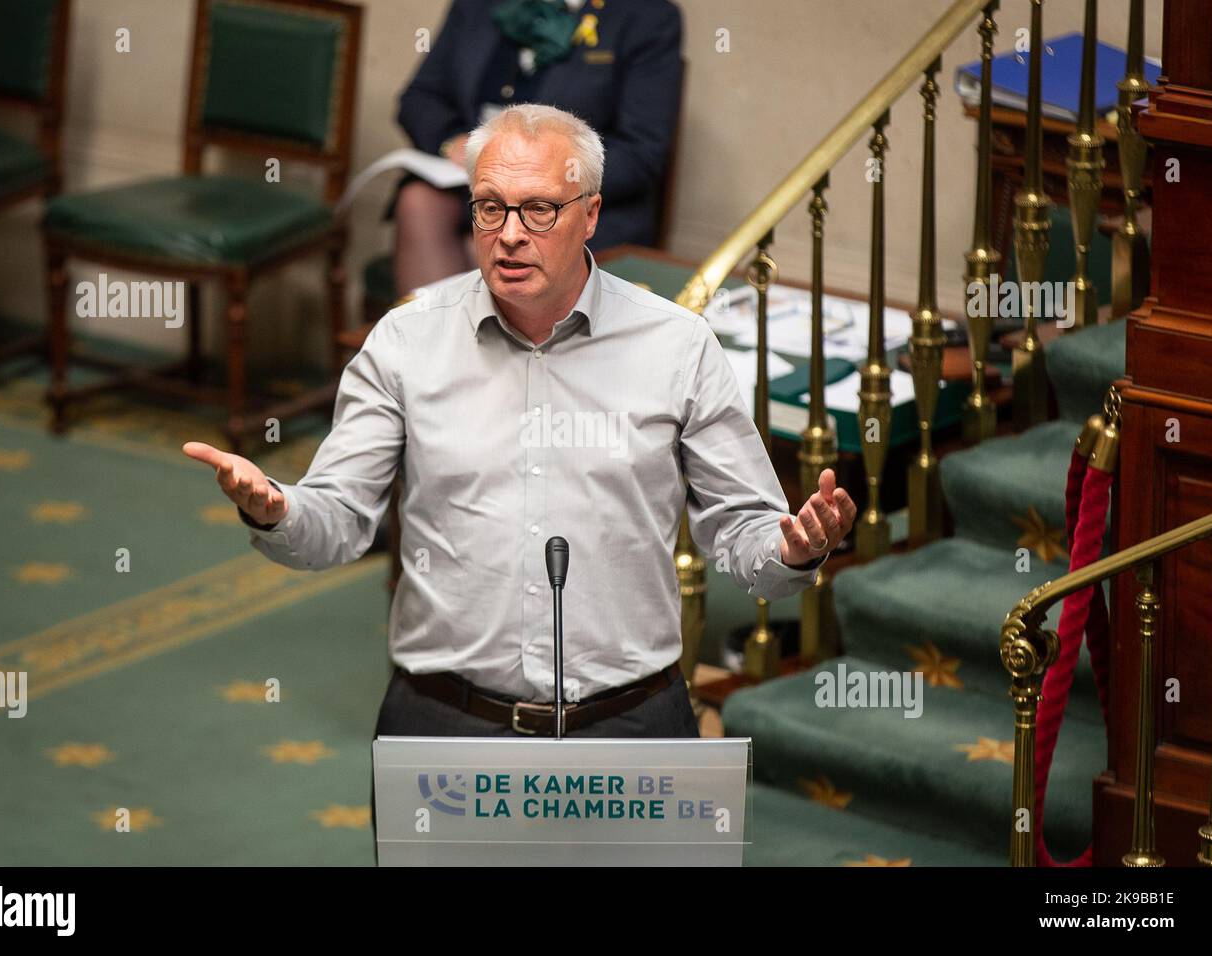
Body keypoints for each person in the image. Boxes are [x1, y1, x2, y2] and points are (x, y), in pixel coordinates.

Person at [184, 104, 856, 741]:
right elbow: (334, 523)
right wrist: (277, 511)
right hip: (444, 723)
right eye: (490, 208)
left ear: (590, 214)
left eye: (538, 209)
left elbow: (745, 536)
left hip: (629, 724)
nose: (509, 233)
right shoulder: (405, 343)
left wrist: (793, 548)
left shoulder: (675, 347)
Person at [391, 0, 682, 296]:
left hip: (568, 199)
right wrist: (452, 141)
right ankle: (428, 338)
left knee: (493, 242)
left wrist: (545, 177)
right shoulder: (474, 5)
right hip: (470, 182)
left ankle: (495, 337)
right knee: (418, 200)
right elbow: (420, 98)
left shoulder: (647, 16)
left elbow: (641, 151)